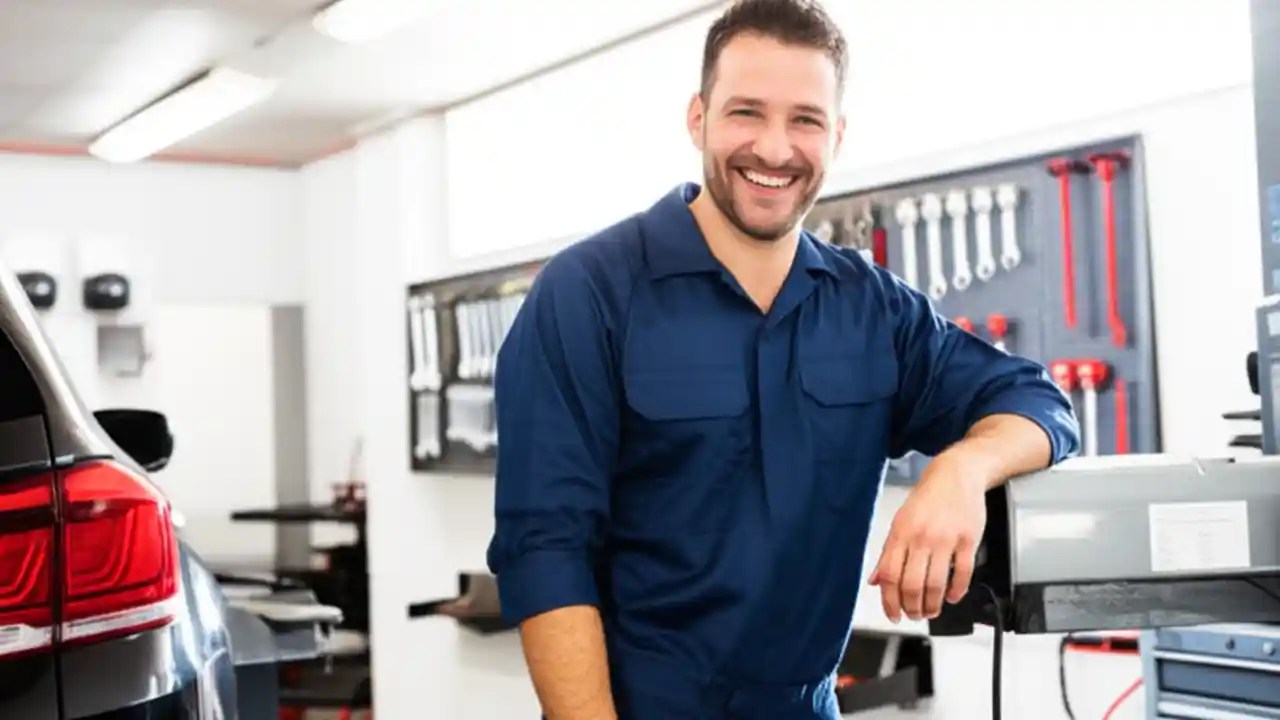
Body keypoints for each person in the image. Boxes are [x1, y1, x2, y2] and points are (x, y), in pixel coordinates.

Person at [485, 1, 1081, 717]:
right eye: (746, 113)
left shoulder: (872, 307)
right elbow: (545, 550)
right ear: (697, 117)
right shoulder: (590, 293)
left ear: (837, 135)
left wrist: (961, 468)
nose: (774, 149)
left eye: (805, 119)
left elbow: (1039, 405)